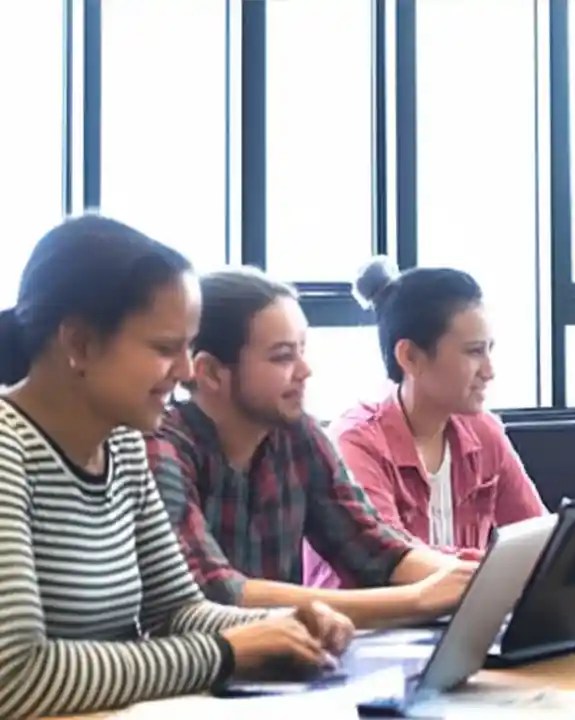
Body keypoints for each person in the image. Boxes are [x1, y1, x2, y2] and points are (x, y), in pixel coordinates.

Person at [0, 216, 353, 719]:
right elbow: (15, 678)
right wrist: (226, 653)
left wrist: (285, 624)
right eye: (165, 349)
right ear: (78, 344)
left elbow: (177, 613)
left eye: (188, 347)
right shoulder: (8, 451)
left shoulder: (122, 446)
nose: (187, 372)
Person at [146, 266, 474, 627]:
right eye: (283, 356)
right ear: (208, 372)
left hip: (281, 662)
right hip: (196, 670)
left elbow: (374, 547)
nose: (305, 370)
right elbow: (215, 591)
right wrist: (416, 599)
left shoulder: (296, 435)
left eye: (302, 351)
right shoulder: (160, 450)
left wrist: (472, 579)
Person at [303, 258, 545, 588]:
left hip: (458, 621)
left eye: (490, 350)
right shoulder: (355, 442)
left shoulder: (484, 431)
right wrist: (493, 569)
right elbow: (391, 567)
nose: (489, 370)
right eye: (474, 352)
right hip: (369, 632)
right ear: (410, 357)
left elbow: (539, 537)